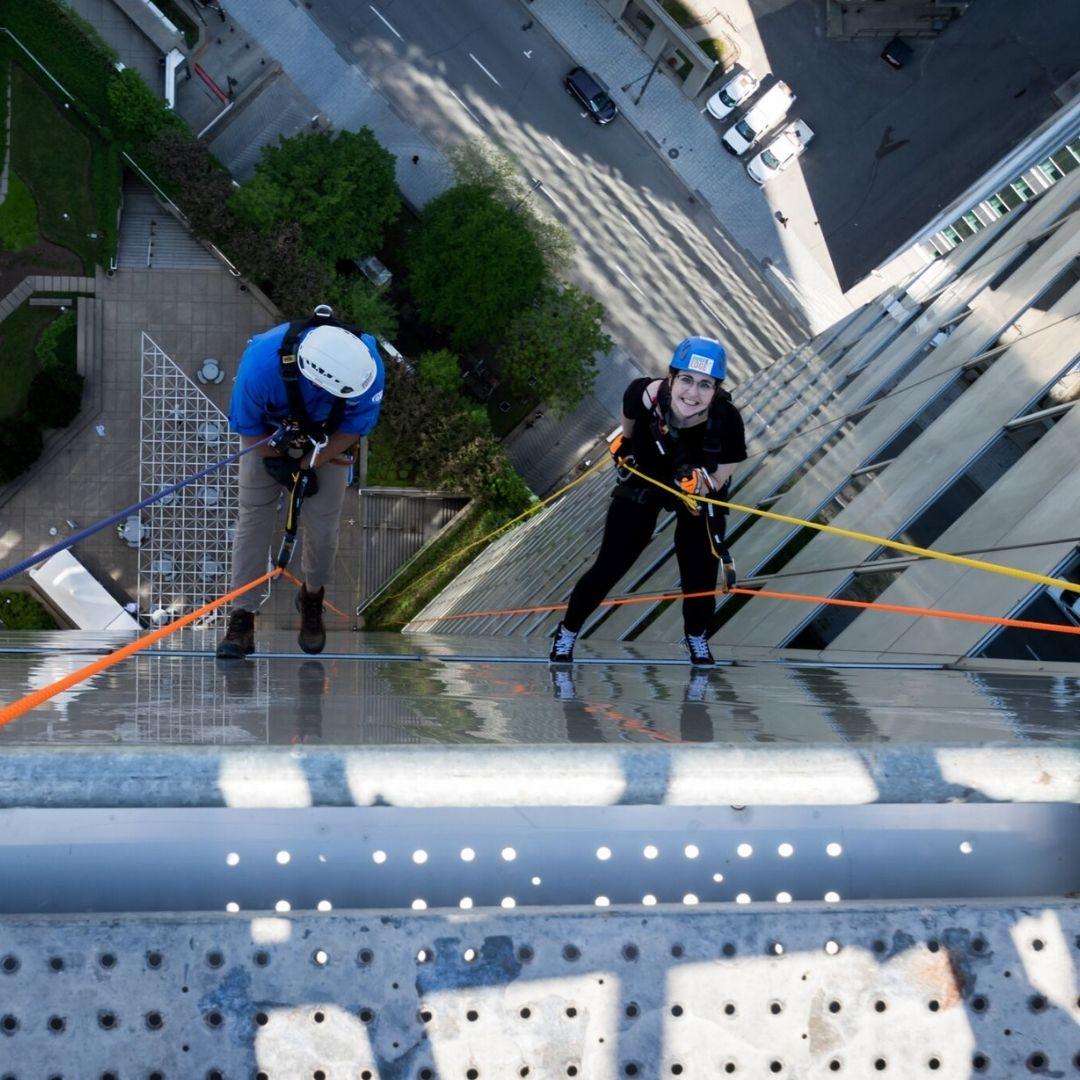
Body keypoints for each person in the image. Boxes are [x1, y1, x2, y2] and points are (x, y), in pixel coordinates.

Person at [549, 336, 746, 668]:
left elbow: (725, 469)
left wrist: (705, 483)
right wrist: (626, 444)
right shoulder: (645, 395)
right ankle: (567, 630)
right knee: (610, 563)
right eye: (686, 379)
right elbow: (628, 418)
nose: (692, 393)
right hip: (647, 476)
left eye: (705, 385)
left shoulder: (726, 420)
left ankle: (696, 635)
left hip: (695, 490)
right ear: (671, 378)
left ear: (715, 391)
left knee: (700, 571)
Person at [216, 305, 384, 659]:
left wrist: (311, 462)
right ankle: (242, 615)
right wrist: (277, 463)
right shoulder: (261, 365)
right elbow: (250, 434)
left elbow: (352, 428)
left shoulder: (367, 369)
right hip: (267, 438)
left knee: (323, 528)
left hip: (327, 440)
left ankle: (311, 596)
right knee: (254, 518)